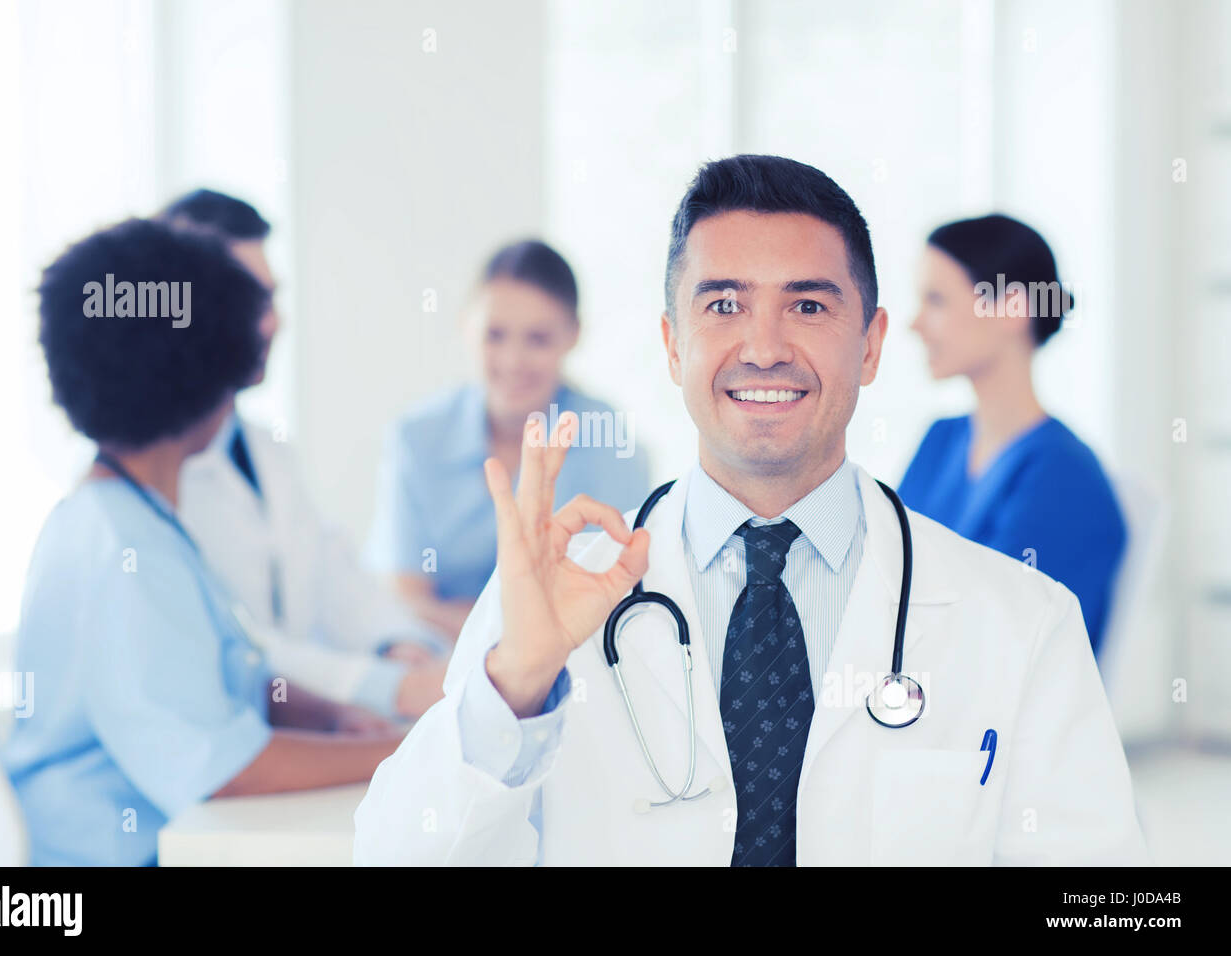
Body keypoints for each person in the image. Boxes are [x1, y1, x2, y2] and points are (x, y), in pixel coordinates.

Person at [353, 155, 1148, 866]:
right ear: (671, 345)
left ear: (869, 347)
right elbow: (394, 858)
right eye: (724, 305)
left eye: (807, 308)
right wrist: (515, 686)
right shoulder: (545, 606)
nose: (763, 347)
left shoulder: (1025, 622)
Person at [3, 219, 404, 866]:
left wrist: (331, 716)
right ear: (208, 374)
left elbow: (221, 683)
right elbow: (224, 767)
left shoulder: (125, 523)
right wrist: (404, 752)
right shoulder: (126, 556)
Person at [162, 190, 447, 721]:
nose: (271, 323)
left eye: (271, 298)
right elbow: (231, 646)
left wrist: (398, 645)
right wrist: (390, 687)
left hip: (288, 731)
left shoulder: (268, 452)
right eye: (249, 302)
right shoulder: (155, 479)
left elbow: (332, 574)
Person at [366, 239, 650, 639]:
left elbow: (617, 592)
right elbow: (404, 598)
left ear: (573, 335)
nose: (513, 361)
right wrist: (519, 625)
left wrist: (468, 617)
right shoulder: (417, 438)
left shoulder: (609, 440)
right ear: (466, 324)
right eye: (495, 335)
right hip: (439, 668)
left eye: (537, 339)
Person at [898, 215, 1126, 657]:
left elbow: (999, 642)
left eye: (937, 300)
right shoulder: (942, 440)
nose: (915, 324)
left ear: (1012, 308)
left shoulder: (1062, 475)